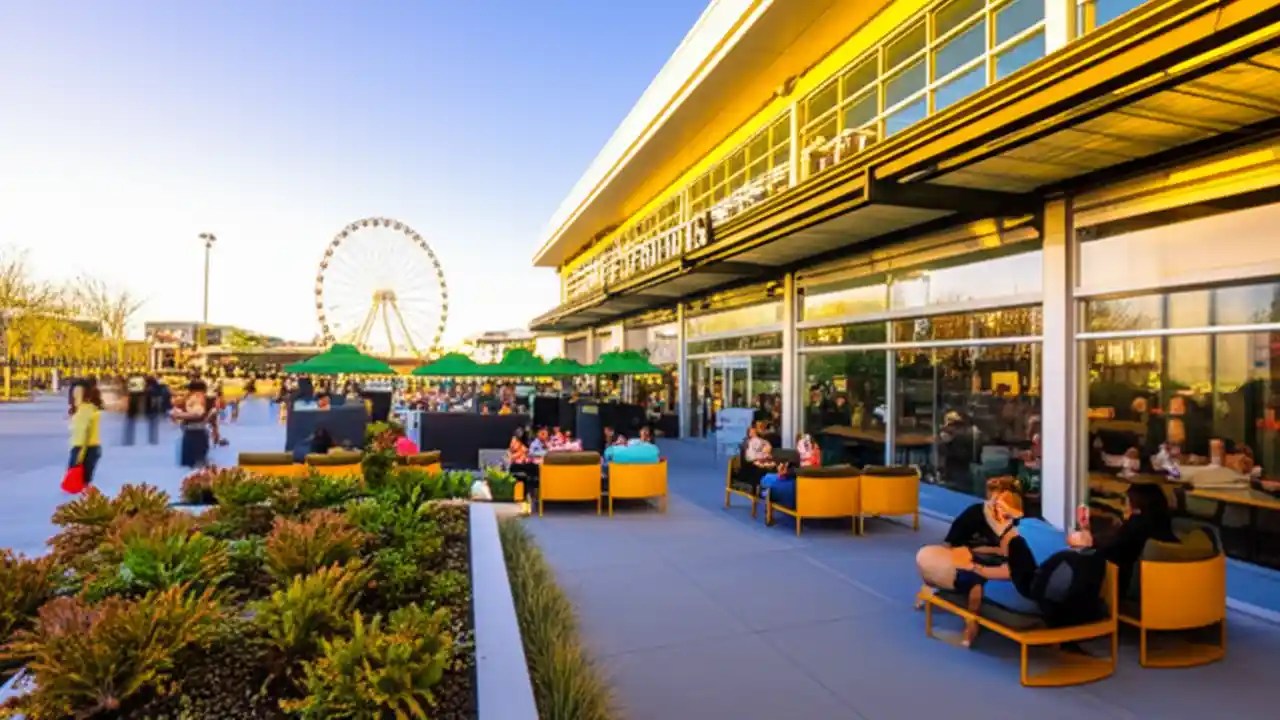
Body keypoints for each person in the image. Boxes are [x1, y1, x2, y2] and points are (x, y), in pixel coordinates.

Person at [914, 478, 1024, 646]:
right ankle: (971, 624)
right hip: (967, 556)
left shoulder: (1013, 518)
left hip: (1000, 559)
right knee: (975, 582)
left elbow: (1011, 547)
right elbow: (952, 544)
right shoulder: (974, 514)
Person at [69, 385, 103, 487]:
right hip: (90, 447)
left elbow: (84, 433)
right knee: (82, 484)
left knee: (76, 485)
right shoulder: (89, 409)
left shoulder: (85, 410)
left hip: (84, 448)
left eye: (76, 396)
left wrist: (80, 455)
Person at [173, 380, 212, 468]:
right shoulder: (200, 397)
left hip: (195, 434)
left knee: (196, 465)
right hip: (196, 432)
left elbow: (198, 414)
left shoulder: (197, 397)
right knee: (198, 463)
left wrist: (179, 415)